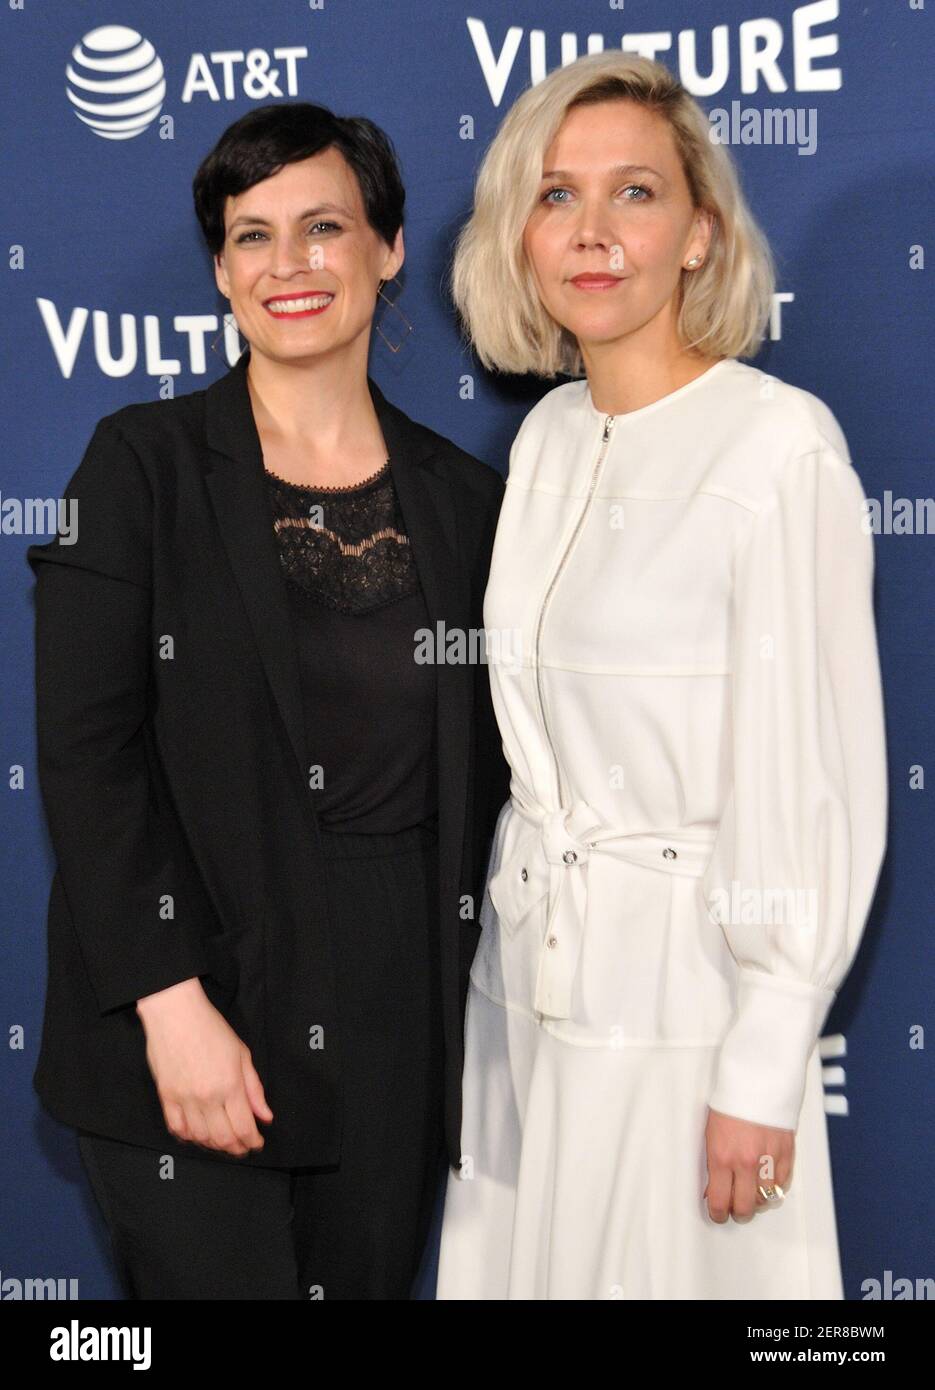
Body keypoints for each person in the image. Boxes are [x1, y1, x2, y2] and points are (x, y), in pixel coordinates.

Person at [26, 101, 509, 1300]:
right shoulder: (138, 465)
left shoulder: (466, 502)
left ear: (388, 250)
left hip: (395, 1026)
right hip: (193, 1008)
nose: (288, 266)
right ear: (220, 271)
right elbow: (89, 761)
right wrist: (169, 1003)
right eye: (252, 236)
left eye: (323, 227)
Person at [436, 52, 888, 1300]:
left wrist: (763, 1051)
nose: (589, 234)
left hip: (682, 1006)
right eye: (553, 195)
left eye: (632, 194)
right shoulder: (546, 437)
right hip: (527, 991)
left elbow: (810, 765)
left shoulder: (774, 447)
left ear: (699, 232)